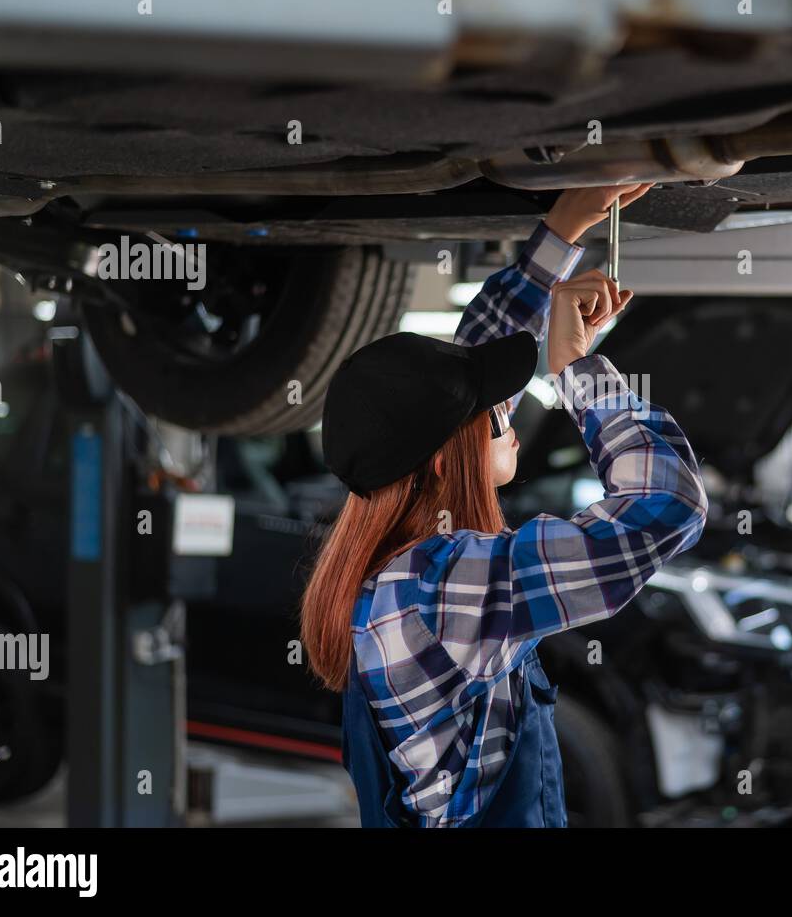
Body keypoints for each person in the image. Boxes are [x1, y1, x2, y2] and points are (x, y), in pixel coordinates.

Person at [300, 184, 708, 827]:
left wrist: (566, 227)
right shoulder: (442, 586)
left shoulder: (396, 577)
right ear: (443, 458)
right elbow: (666, 505)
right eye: (491, 415)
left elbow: (472, 356)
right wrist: (577, 368)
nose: (509, 414)